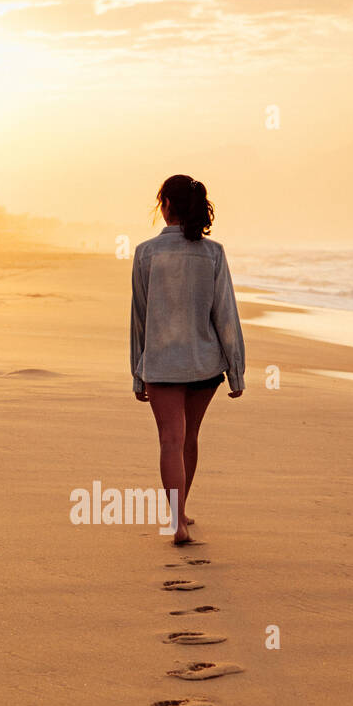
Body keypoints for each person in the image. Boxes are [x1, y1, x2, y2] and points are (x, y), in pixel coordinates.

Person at [130, 174, 245, 544]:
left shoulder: (146, 253)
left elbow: (140, 318)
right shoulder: (213, 253)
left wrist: (137, 372)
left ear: (166, 205)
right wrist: (236, 371)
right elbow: (225, 315)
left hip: (161, 364)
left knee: (170, 441)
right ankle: (181, 513)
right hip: (204, 363)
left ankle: (176, 521)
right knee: (189, 438)